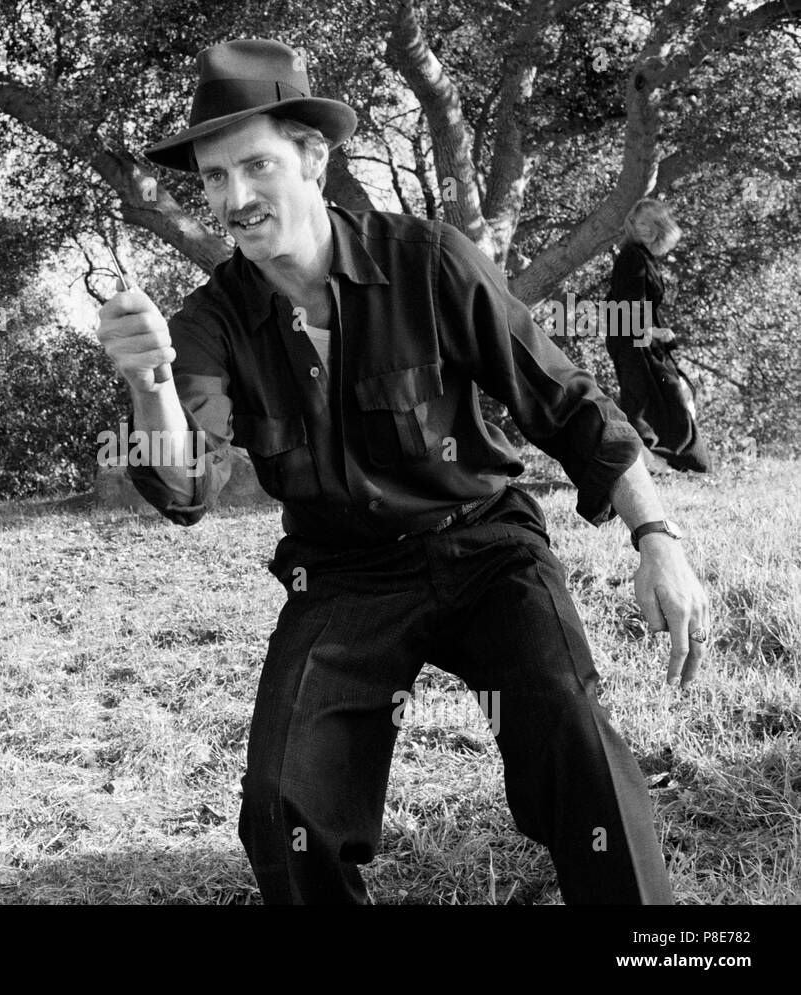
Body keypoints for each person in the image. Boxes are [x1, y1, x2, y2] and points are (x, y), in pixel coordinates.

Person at [96, 38, 711, 905]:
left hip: (487, 547)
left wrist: (658, 535)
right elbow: (190, 486)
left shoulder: (430, 259)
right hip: (343, 574)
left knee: (580, 752)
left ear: (314, 157)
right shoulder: (211, 321)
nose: (233, 199)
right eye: (211, 178)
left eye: (255, 166)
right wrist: (151, 383)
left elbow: (565, 400)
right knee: (284, 807)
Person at [604, 199, 711, 473]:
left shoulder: (643, 256)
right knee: (647, 400)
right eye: (640, 223)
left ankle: (660, 462)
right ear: (632, 226)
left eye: (652, 224)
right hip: (632, 340)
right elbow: (628, 303)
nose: (646, 229)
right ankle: (647, 463)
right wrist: (650, 332)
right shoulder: (632, 256)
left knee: (668, 395)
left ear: (661, 227)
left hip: (640, 338)